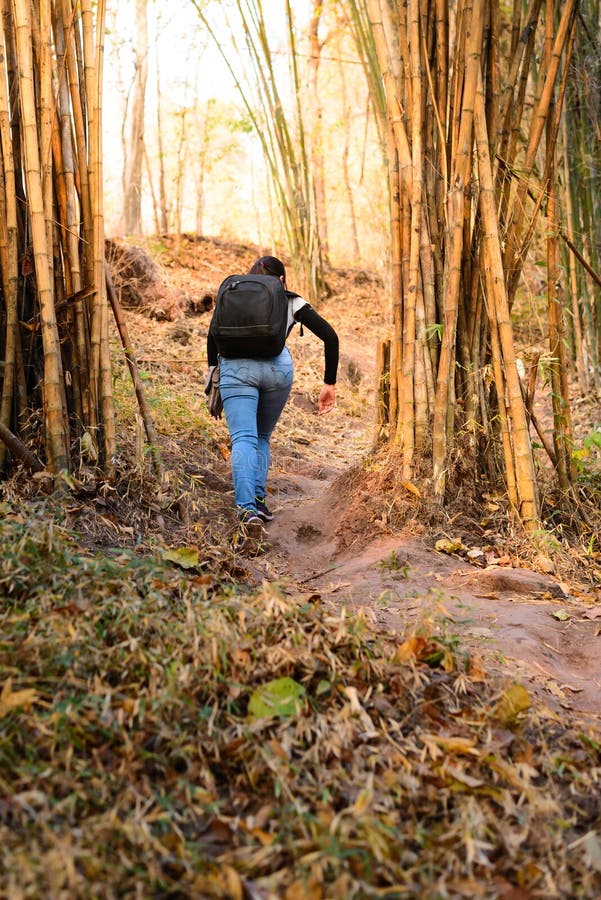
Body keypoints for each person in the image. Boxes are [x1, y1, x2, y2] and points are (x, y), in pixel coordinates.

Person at [206, 255, 339, 541]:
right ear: (281, 280)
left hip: (236, 369)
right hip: (277, 371)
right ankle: (258, 500)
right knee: (262, 437)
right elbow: (330, 336)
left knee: (243, 438)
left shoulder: (233, 295)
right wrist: (329, 383)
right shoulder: (291, 300)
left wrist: (213, 372)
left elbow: (212, 334)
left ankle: (246, 510)